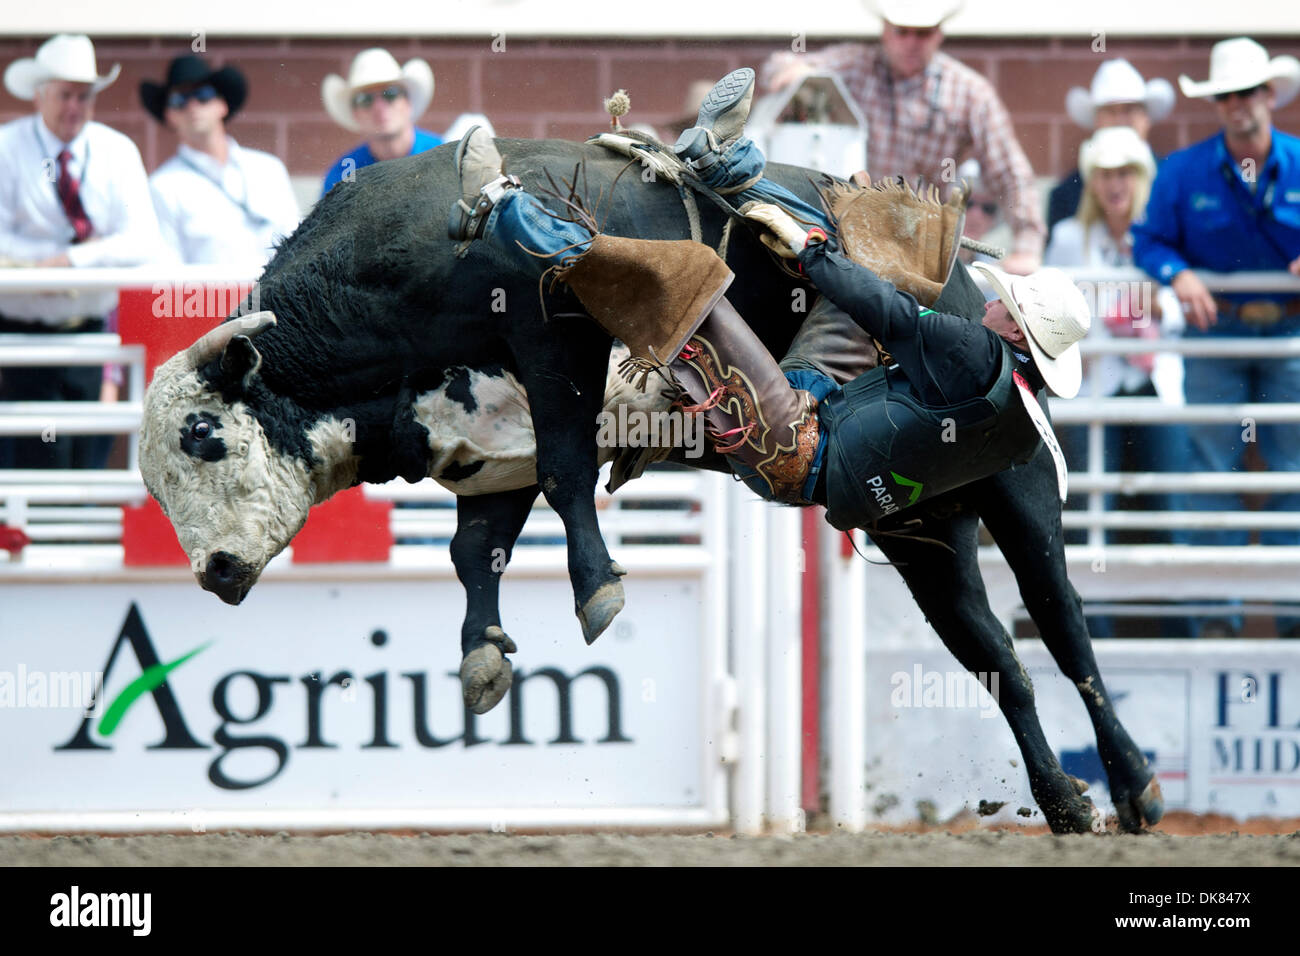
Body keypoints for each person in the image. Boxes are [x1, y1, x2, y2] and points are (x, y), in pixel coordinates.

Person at [447, 69, 1091, 526]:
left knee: (687, 282)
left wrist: (813, 254)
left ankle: (505, 211)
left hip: (795, 445)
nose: (994, 302)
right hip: (828, 430)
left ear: (1016, 331)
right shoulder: (1020, 421)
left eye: (1009, 303)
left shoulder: (971, 348)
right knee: (888, 259)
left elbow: (881, 309)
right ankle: (729, 166)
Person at [1132, 37, 1300, 638]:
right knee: (1209, 470)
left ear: (1268, 95)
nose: (1237, 105)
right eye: (1226, 95)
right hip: (1216, 328)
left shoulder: (1297, 160)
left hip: (1288, 332)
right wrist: (1178, 275)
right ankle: (1216, 619)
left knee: (1292, 471)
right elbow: (1148, 241)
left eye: (1246, 92)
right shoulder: (1184, 172)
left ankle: (1291, 615)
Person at [760, 0, 1045, 274]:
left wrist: (1027, 246)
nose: (911, 42)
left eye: (922, 33)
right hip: (848, 238)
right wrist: (795, 73)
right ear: (885, 30)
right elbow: (779, 65)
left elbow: (1010, 171)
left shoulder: (968, 92)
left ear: (939, 34)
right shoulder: (856, 65)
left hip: (923, 247)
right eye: (902, 31)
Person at [0, 34, 165, 470]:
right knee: (27, 462)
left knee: (86, 459)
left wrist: (72, 261)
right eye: (65, 95)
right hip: (21, 335)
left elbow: (145, 241)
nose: (74, 106)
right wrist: (47, 260)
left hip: (92, 333)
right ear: (40, 97)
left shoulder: (115, 151)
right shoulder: (8, 148)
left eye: (84, 96)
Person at [1046, 125, 1183, 635]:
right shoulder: (1067, 239)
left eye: (1125, 172)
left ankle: (1177, 631)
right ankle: (1089, 633)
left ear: (1142, 177)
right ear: (1092, 181)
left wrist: (1158, 309)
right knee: (1086, 511)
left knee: (1163, 505)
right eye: (1104, 173)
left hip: (1154, 385)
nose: (1114, 184)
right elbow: (1052, 314)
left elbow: (1185, 309)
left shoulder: (1163, 236)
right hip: (1093, 388)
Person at [142, 54, 300, 266]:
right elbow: (170, 273)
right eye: (180, 100)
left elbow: (299, 248)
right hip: (208, 298)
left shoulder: (269, 169)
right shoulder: (162, 187)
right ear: (169, 115)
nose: (192, 106)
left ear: (222, 105)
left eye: (203, 95)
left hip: (278, 296)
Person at [1047, 59, 1174, 245]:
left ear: (1146, 118)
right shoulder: (1066, 196)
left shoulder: (1173, 181)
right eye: (1110, 111)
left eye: (1129, 109)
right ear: (1095, 120)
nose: (1121, 120)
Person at [320, 48, 443, 196]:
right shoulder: (345, 175)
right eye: (365, 99)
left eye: (390, 94)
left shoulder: (442, 157)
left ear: (408, 102)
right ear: (355, 114)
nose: (379, 107)